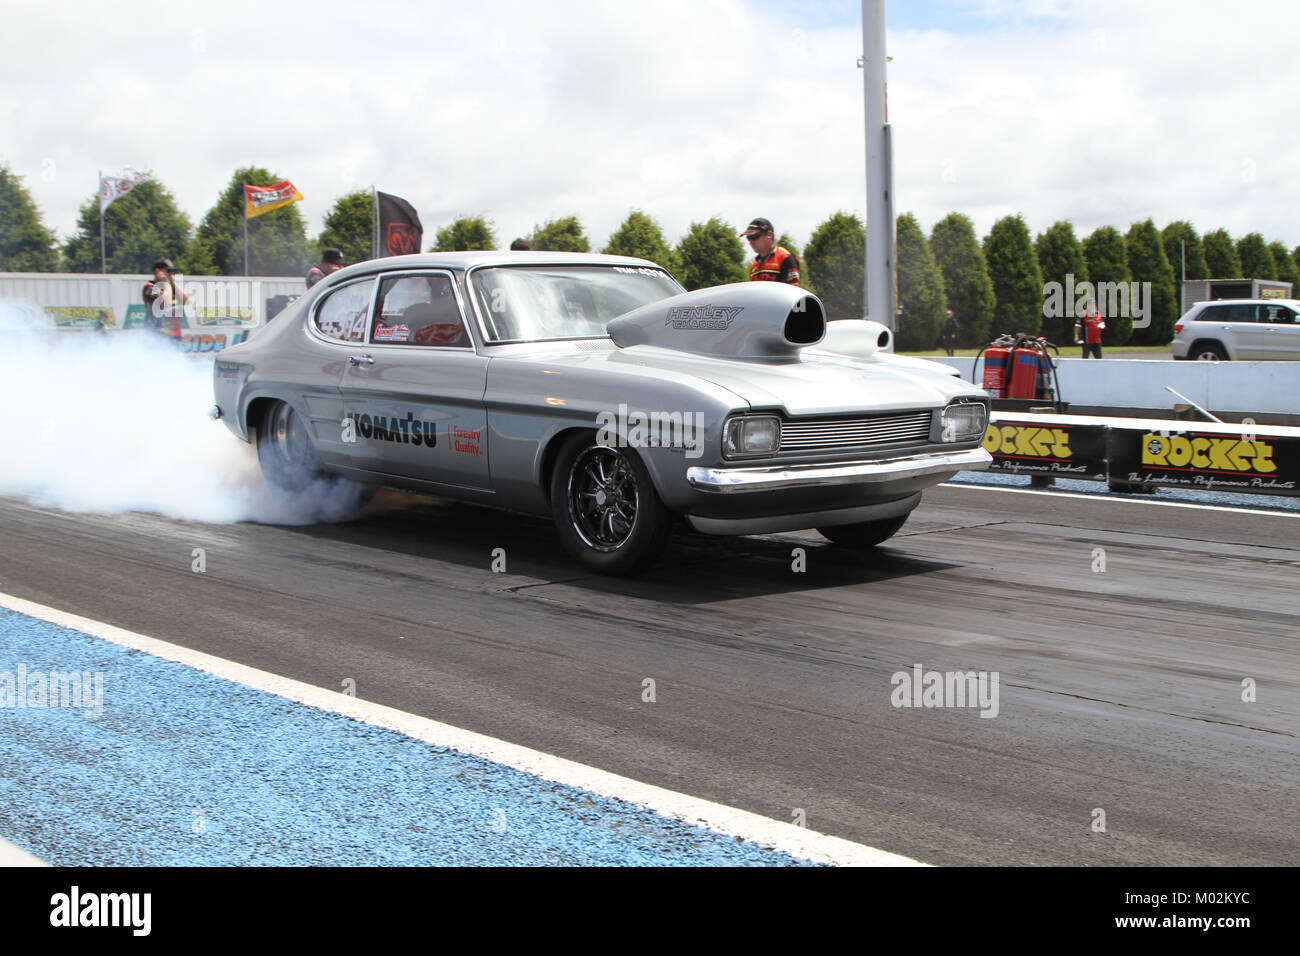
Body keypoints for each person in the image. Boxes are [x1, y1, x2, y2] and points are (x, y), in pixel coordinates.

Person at [142, 258, 190, 343]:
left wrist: (173, 283)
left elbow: (186, 301)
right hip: (156, 335)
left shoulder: (170, 288)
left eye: (172, 272)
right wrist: (168, 284)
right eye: (168, 271)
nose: (171, 274)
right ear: (157, 271)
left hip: (174, 335)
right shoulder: (149, 287)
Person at [740, 217, 800, 286]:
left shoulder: (785, 257)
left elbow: (793, 289)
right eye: (748, 238)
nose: (751, 241)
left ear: (769, 235)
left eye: (755, 237)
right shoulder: (754, 266)